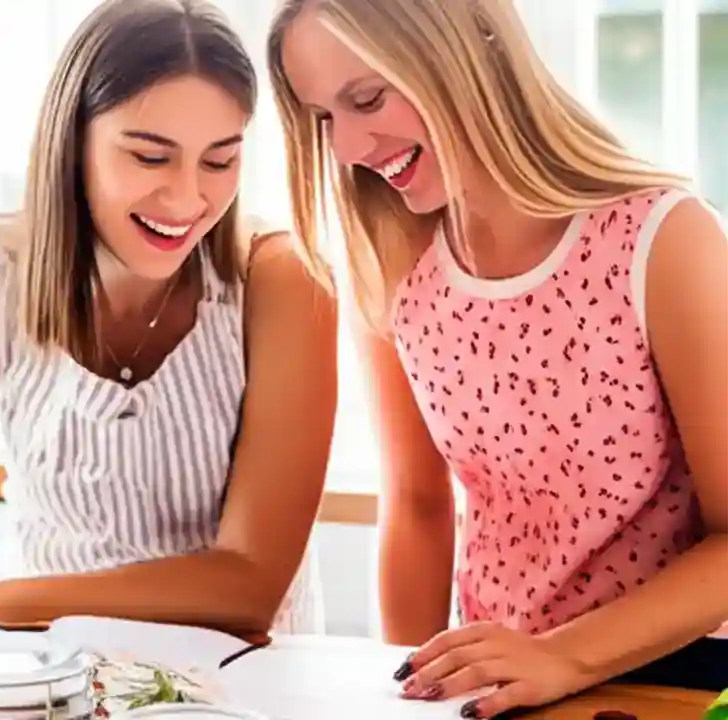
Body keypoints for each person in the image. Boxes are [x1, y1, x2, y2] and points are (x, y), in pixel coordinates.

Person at [0, 0, 339, 679]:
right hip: (43, 679)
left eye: (219, 160)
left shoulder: (281, 279)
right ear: (74, 139)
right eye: (151, 156)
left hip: (240, 694)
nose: (186, 199)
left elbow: (247, 588)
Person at [267, 0, 727, 717]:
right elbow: (419, 510)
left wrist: (560, 656)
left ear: (469, 47)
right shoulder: (391, 261)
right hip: (496, 689)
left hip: (674, 680)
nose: (351, 146)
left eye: (367, 98)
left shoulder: (666, 241)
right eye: (324, 118)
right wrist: (404, 698)